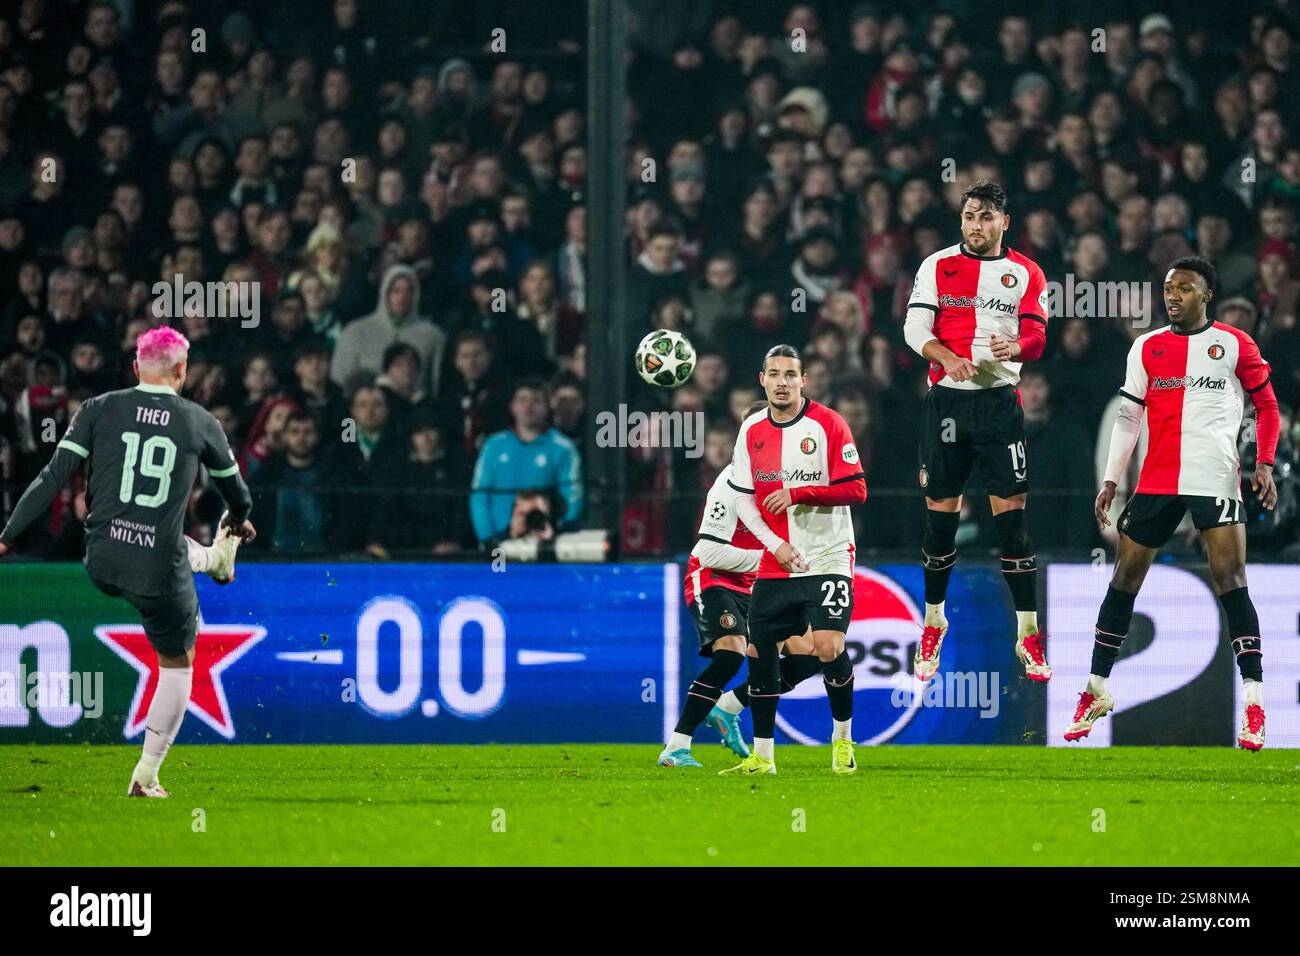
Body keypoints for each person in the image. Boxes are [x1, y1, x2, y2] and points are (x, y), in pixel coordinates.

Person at [0, 327, 255, 797]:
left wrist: (6, 536)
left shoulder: (97, 408)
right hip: (157, 568)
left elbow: (52, 476)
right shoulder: (201, 422)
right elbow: (237, 495)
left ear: (137, 368)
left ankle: (214, 559)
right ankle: (146, 776)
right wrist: (239, 519)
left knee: (173, 546)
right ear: (182, 372)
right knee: (179, 663)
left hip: (101, 556)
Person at [1067, 257, 1279, 751]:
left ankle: (1254, 702)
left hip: (1215, 478)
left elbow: (1267, 406)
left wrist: (1263, 465)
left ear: (1206, 296)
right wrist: (1111, 480)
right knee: (1124, 580)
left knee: (1230, 582)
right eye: (1169, 287)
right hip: (1158, 481)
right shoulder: (1146, 347)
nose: (1174, 295)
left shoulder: (1234, 344)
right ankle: (1096, 688)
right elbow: (1127, 418)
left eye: (1185, 288)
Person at [902, 179, 1053, 685]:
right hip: (947, 404)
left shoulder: (1026, 273)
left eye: (987, 216)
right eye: (970, 215)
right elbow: (914, 328)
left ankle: (1027, 633)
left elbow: (1036, 334)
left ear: (1004, 222)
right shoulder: (937, 266)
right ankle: (934, 621)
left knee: (1013, 528)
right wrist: (945, 357)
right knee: (940, 527)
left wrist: (1018, 348)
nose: (976, 224)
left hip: (998, 407)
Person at [720, 345, 866, 776]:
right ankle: (762, 758)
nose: (782, 382)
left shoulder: (828, 424)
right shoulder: (750, 429)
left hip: (827, 555)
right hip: (776, 561)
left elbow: (857, 489)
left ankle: (842, 742)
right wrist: (774, 545)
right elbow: (743, 498)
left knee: (828, 646)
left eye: (790, 374)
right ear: (761, 379)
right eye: (774, 374)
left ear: (804, 381)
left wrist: (799, 493)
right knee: (759, 649)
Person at [659, 401, 821, 768]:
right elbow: (708, 552)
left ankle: (729, 706)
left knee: (811, 655)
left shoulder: (791, 480)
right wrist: (767, 561)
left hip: (760, 585)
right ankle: (676, 748)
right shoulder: (730, 484)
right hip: (714, 578)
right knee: (731, 654)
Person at [470, 378, 582, 545]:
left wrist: (560, 533)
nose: (528, 406)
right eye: (522, 400)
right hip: (497, 542)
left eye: (536, 400)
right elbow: (479, 494)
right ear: (512, 406)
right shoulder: (493, 446)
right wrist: (486, 536)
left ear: (547, 407)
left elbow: (572, 495)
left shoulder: (563, 448)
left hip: (543, 542)